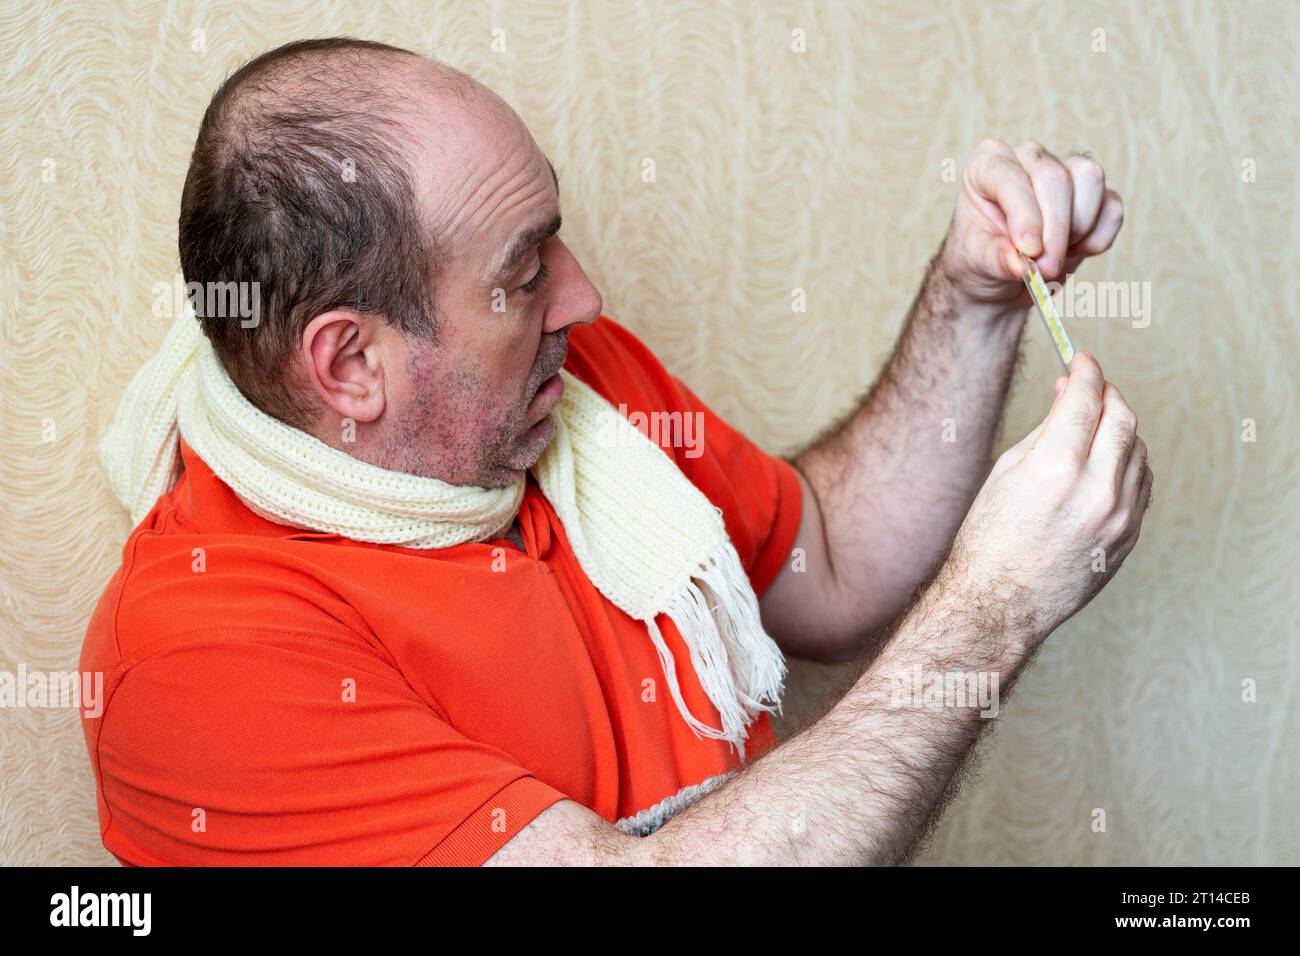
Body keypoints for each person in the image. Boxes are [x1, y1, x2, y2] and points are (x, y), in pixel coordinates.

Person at [81, 37, 1150, 866]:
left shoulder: (560, 388)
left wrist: (971, 299)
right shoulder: (198, 661)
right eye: (522, 269)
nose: (582, 294)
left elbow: (829, 564)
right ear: (351, 364)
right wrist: (992, 609)